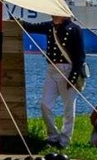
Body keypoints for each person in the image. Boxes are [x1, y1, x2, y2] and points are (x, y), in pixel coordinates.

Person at [19, 14, 85, 148]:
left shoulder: (75, 29)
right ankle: (53, 136)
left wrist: (72, 77)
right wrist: (17, 21)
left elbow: (80, 56)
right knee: (45, 104)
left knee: (68, 108)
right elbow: (31, 27)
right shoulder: (49, 26)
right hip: (51, 69)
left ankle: (64, 140)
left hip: (67, 69)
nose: (52, 14)